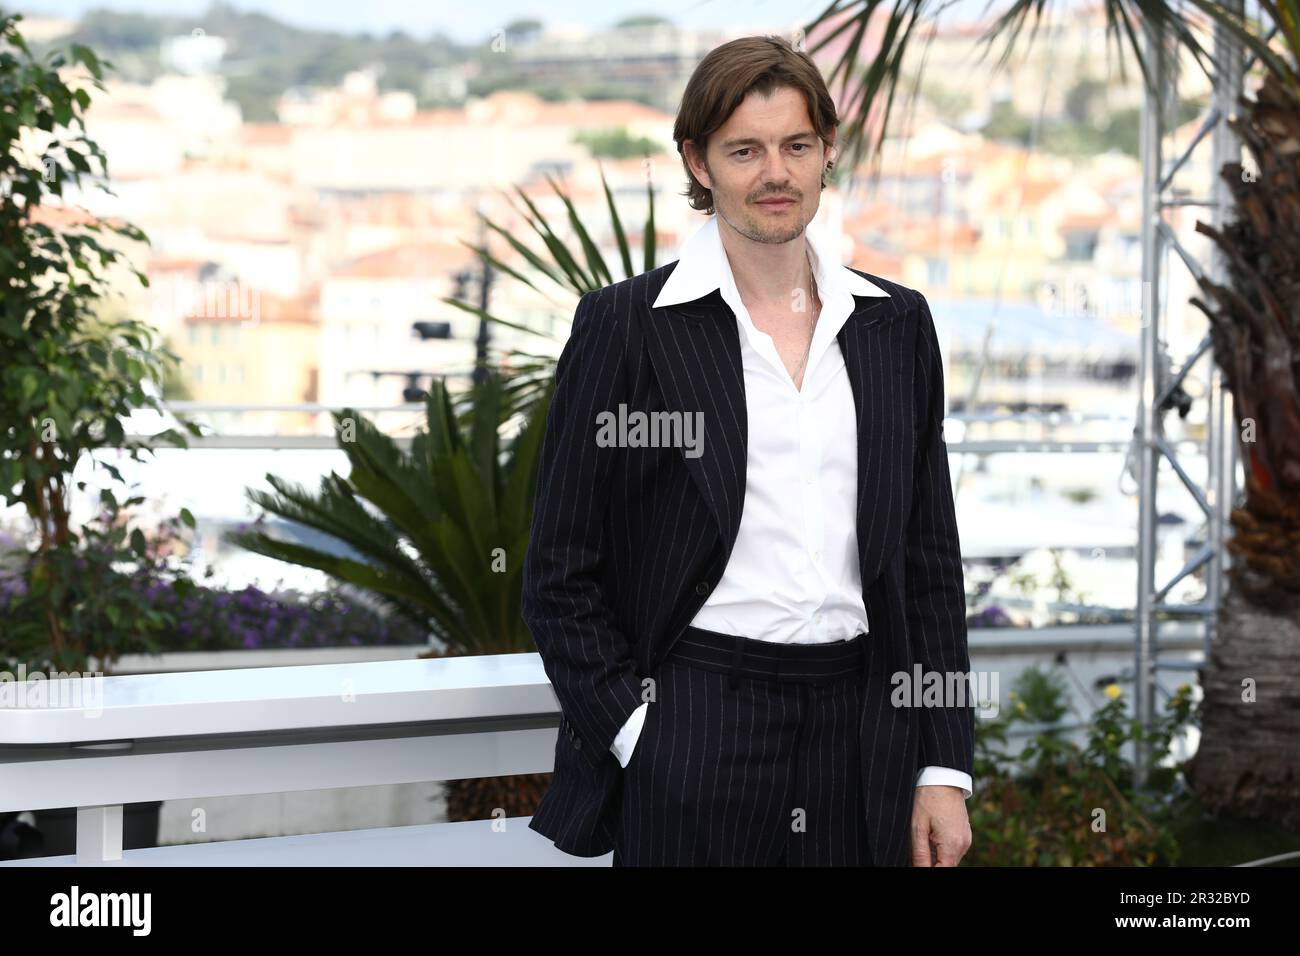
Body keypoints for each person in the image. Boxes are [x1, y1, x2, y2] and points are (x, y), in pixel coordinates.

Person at [523, 34, 974, 866]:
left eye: (797, 145)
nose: (777, 173)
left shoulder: (894, 323)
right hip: (696, 721)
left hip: (866, 728)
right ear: (698, 162)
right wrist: (637, 732)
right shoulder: (627, 326)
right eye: (746, 150)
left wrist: (943, 762)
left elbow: (928, 561)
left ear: (827, 151)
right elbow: (559, 569)